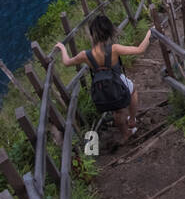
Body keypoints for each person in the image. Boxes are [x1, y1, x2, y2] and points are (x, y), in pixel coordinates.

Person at [55, 14, 151, 145]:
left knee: (117, 110)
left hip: (102, 90)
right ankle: (132, 119)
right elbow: (140, 49)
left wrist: (62, 48)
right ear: (108, 32)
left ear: (92, 34)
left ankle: (125, 133)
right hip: (117, 83)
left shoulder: (85, 55)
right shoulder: (114, 49)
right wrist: (150, 32)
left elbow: (66, 62)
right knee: (133, 91)